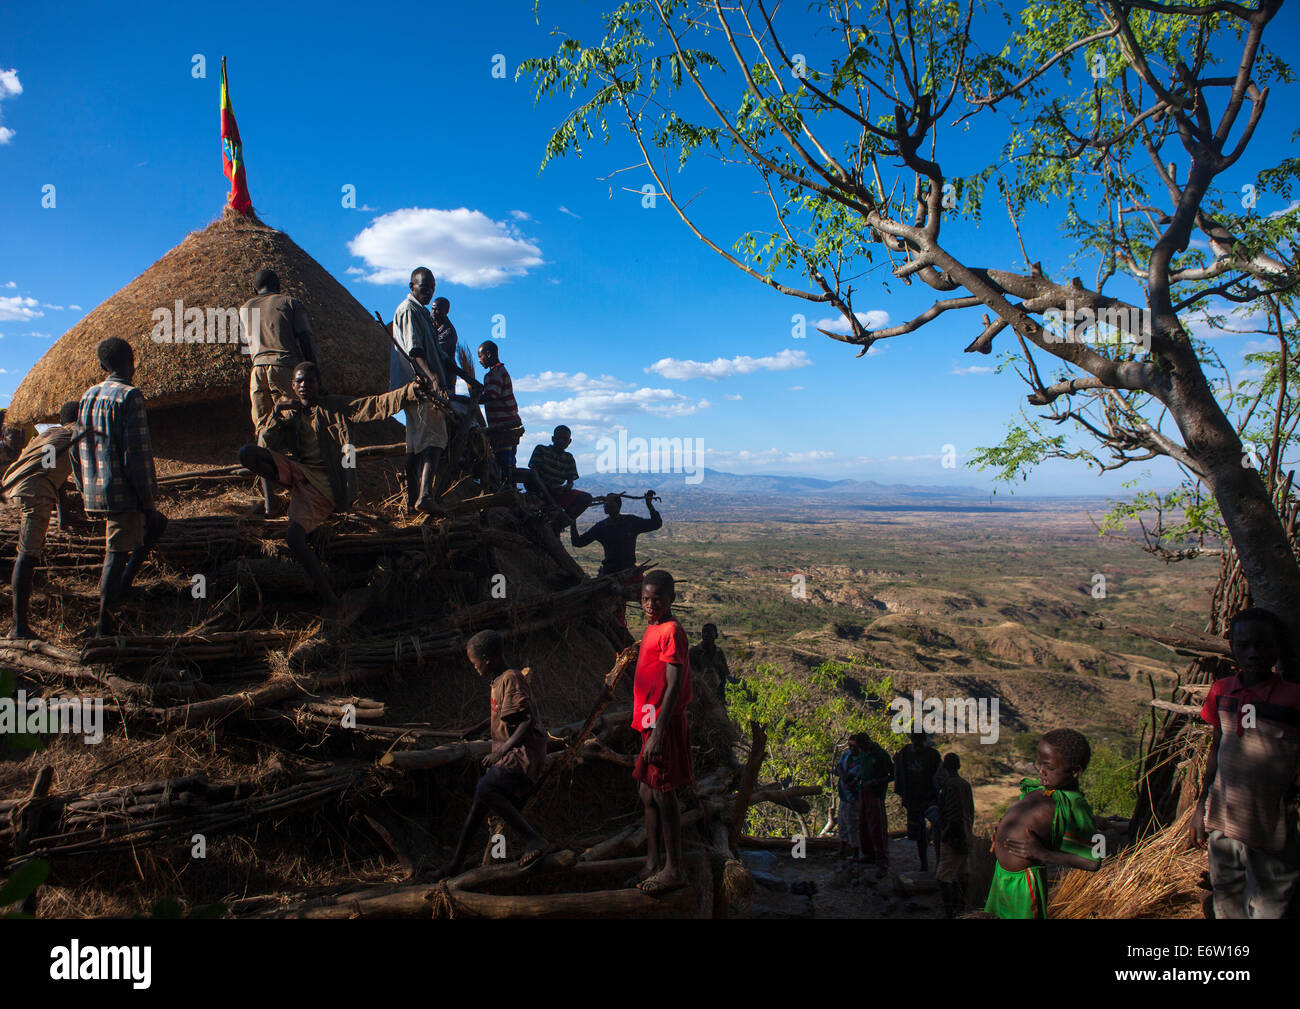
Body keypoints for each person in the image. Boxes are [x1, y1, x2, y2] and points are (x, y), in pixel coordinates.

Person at [237, 361, 427, 625]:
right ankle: (278, 503)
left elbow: (371, 405)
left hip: (325, 482)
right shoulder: (292, 415)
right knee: (247, 453)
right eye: (299, 382)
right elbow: (268, 443)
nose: (304, 386)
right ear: (292, 386)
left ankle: (331, 600)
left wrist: (408, 392)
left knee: (294, 537)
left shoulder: (334, 407)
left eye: (310, 381)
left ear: (319, 384)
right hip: (297, 473)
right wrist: (276, 416)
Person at [1191, 607, 1300, 918]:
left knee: (1270, 901)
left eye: (1263, 645)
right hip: (1223, 818)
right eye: (1244, 645)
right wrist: (1200, 809)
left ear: (1278, 648)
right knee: (1226, 895)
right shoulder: (1222, 692)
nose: (1253, 653)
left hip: (1271, 821)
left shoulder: (1293, 698)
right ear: (1232, 648)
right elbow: (1216, 750)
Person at [430, 630, 551, 881]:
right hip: (512, 755)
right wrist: (479, 727)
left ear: (487, 659)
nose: (473, 667)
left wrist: (502, 752)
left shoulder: (512, 679)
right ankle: (456, 864)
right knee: (479, 802)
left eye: (475, 662)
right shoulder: (499, 681)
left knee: (485, 788)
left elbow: (526, 721)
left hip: (523, 757)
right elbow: (504, 714)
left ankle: (534, 839)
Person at [74, 339, 169, 637]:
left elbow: (74, 449)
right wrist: (147, 503)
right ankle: (105, 623)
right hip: (121, 491)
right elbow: (136, 456)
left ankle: (122, 591)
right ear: (132, 362)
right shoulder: (129, 396)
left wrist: (82, 488)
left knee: (149, 531)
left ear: (103, 366)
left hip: (95, 490)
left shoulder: (88, 396)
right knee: (115, 553)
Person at [985, 728, 1102, 918]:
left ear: (1075, 772)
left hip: (1024, 884)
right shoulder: (1045, 790)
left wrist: (1042, 853)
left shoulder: (1076, 805)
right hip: (1002, 875)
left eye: (1050, 768)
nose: (1041, 772)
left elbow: (1093, 862)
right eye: (1040, 765)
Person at [629, 568, 693, 894]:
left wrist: (657, 731)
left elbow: (673, 685)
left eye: (658, 599)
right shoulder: (653, 628)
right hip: (649, 721)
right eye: (645, 599)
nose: (650, 605)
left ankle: (674, 868)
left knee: (663, 792)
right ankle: (653, 862)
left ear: (671, 599)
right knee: (647, 791)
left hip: (662, 724)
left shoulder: (671, 631)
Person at [239, 268, 320, 517]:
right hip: (283, 366)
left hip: (257, 371)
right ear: (278, 285)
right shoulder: (289, 302)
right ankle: (306, 491)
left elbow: (243, 347)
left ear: (256, 289)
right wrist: (316, 375)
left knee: (263, 431)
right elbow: (305, 339)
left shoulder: (245, 309)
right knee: (296, 425)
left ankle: (269, 502)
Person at [3, 401, 82, 639]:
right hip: (34, 490)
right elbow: (81, 478)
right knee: (27, 555)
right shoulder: (77, 435)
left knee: (28, 551)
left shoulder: (49, 434)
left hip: (12, 483)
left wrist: (63, 520)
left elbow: (51, 471)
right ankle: (18, 628)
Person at [391, 267, 451, 515]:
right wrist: (434, 377)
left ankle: (411, 501)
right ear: (411, 286)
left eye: (432, 288)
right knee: (433, 440)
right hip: (421, 387)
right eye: (424, 288)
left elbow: (429, 349)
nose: (428, 292)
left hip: (419, 386)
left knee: (416, 444)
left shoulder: (421, 313)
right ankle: (424, 495)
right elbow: (414, 351)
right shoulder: (409, 310)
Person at [570, 491, 662, 626]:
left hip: (630, 573)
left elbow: (656, 524)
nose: (605, 504)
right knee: (614, 613)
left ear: (618, 504)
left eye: (609, 501)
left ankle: (657, 629)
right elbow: (578, 542)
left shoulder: (630, 522)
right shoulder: (601, 527)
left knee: (652, 601)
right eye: (605, 501)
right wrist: (573, 522)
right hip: (610, 575)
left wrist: (649, 505)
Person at [477, 340, 523, 489]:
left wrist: (470, 400)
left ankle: (509, 489)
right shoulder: (492, 374)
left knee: (506, 463)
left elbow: (491, 396)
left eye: (480, 356)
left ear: (488, 354)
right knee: (506, 461)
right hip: (502, 426)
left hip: (505, 427)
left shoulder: (498, 372)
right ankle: (509, 488)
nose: (479, 360)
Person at [894, 731, 942, 870]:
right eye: (916, 743)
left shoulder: (933, 755)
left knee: (937, 826)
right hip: (913, 800)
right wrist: (903, 795)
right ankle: (924, 864)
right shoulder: (905, 753)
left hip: (930, 798)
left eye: (920, 743)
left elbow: (940, 775)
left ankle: (939, 862)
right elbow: (899, 772)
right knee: (919, 833)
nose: (918, 746)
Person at [527, 426, 592, 530]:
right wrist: (548, 487)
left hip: (557, 493)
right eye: (558, 438)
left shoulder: (569, 458)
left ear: (569, 441)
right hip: (539, 490)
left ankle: (557, 525)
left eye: (565, 439)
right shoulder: (541, 450)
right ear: (553, 439)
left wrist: (567, 487)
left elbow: (570, 481)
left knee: (586, 498)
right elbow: (533, 473)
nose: (561, 441)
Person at [936, 752, 975, 916]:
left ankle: (949, 912)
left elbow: (952, 815)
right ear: (958, 766)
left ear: (945, 767)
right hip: (965, 833)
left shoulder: (948, 786)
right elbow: (970, 811)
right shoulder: (965, 784)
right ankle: (962, 906)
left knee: (944, 876)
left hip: (953, 835)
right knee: (962, 871)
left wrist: (946, 834)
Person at [857, 734, 893, 879]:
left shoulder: (881, 755)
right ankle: (868, 855)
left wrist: (877, 782)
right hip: (863, 791)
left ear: (867, 743)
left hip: (876, 794)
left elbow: (892, 775)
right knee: (863, 825)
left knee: (877, 828)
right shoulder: (864, 754)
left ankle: (882, 862)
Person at [835, 736, 866, 860]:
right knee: (842, 823)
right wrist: (844, 776)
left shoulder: (862, 760)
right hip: (844, 795)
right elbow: (839, 768)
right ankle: (842, 849)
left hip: (853, 798)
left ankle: (856, 852)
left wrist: (843, 775)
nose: (851, 748)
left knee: (853, 825)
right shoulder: (846, 755)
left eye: (854, 746)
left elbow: (848, 776)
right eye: (850, 745)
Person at [688, 623, 731, 701]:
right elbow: (689, 675)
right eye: (704, 632)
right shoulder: (694, 652)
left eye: (710, 632)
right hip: (698, 694)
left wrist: (721, 692)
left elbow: (723, 675)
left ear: (716, 635)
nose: (707, 634)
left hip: (715, 693)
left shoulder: (719, 652)